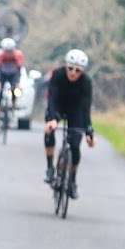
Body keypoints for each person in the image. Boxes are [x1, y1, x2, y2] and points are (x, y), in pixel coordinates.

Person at [44, 50, 96, 199]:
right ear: (66, 66)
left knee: (74, 145)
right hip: (58, 107)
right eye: (70, 68)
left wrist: (89, 132)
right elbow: (52, 99)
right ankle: (49, 168)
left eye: (78, 70)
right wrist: (52, 119)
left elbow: (86, 108)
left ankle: (72, 181)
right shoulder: (58, 75)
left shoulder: (86, 82)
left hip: (76, 110)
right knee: (49, 130)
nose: (73, 73)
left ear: (83, 71)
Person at [0, 36, 25, 121]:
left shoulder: (18, 54)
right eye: (6, 51)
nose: (8, 53)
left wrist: (18, 83)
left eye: (10, 51)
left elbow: (19, 70)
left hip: (13, 74)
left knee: (15, 91)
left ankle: (13, 110)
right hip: (2, 74)